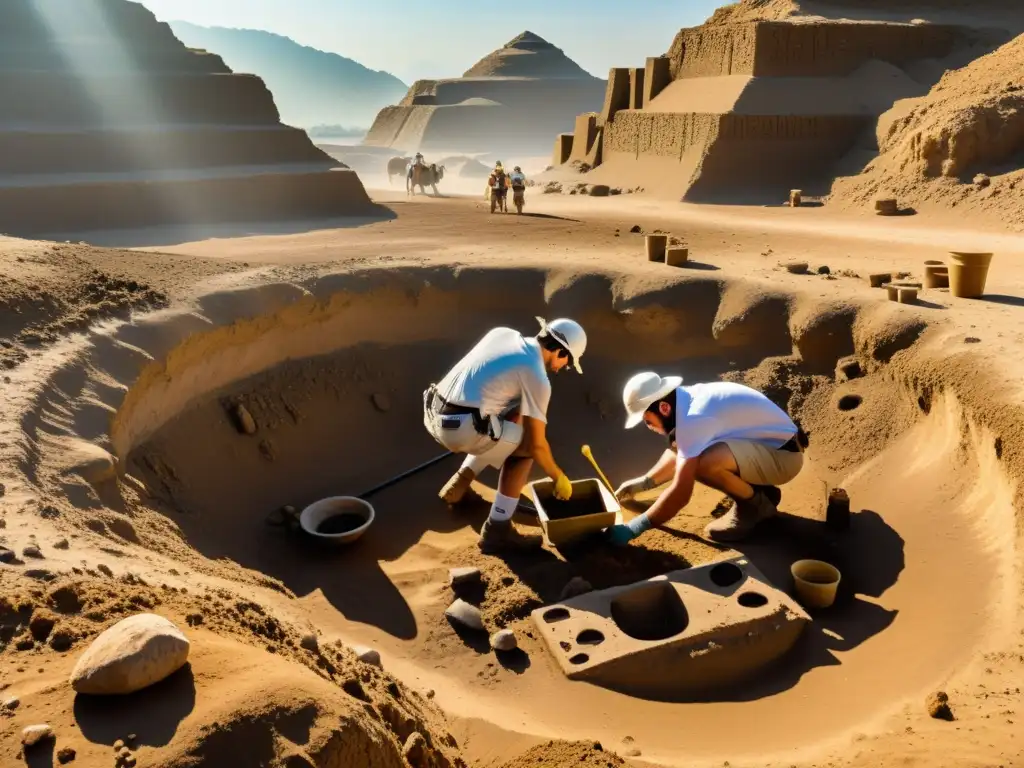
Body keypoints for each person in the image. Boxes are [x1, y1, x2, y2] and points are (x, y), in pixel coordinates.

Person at [423, 317, 587, 553]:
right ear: (560, 351)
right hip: (460, 429)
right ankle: (497, 530)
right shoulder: (537, 377)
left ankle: (458, 484)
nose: (563, 368)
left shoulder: (502, 333)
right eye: (567, 362)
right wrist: (557, 476)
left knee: (515, 414)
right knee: (524, 451)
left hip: (434, 412)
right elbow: (537, 445)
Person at [606, 372, 804, 545]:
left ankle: (756, 508)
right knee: (689, 449)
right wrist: (644, 483)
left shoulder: (694, 419)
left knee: (703, 464)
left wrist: (634, 528)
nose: (649, 427)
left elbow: (681, 493)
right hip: (773, 448)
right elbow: (680, 451)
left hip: (784, 460)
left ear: (664, 408)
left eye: (648, 421)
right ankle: (763, 492)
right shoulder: (687, 400)